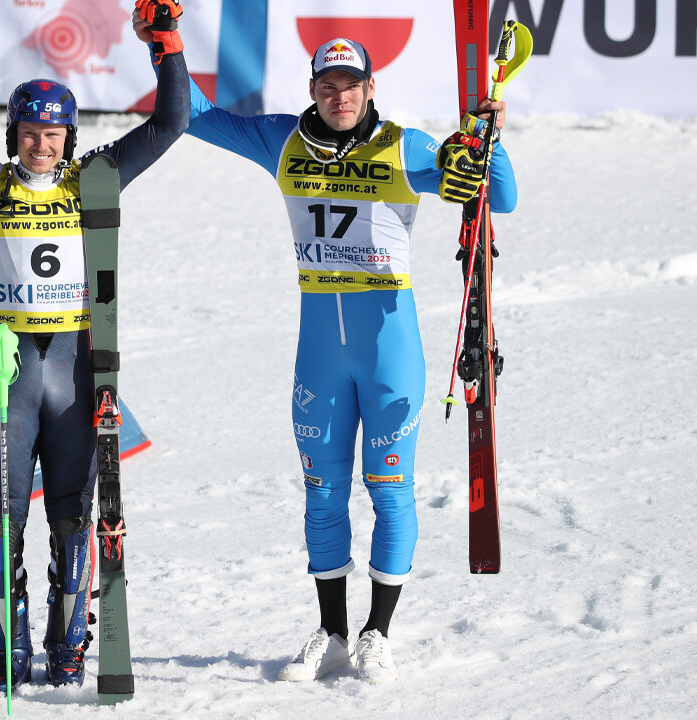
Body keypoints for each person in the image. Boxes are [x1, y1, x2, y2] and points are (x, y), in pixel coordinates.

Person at [181, 37, 517, 683]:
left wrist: (484, 141)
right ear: (313, 90)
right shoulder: (282, 142)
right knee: (323, 495)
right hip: (319, 356)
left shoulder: (406, 145)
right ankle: (331, 631)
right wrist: (165, 44)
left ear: (370, 88)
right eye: (328, 85)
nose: (341, 96)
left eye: (352, 85)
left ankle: (377, 632)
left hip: (389, 348)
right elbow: (194, 114)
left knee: (390, 493)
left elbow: (498, 200)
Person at [0, 0, 189, 695]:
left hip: (76, 366)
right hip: (11, 367)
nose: (40, 145)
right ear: (12, 132)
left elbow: (173, 122)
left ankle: (69, 644)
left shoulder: (95, 179)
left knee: (73, 515)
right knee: (1, 516)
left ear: (70, 138)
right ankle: (4, 649)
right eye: (29, 132)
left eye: (52, 135)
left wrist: (165, 42)